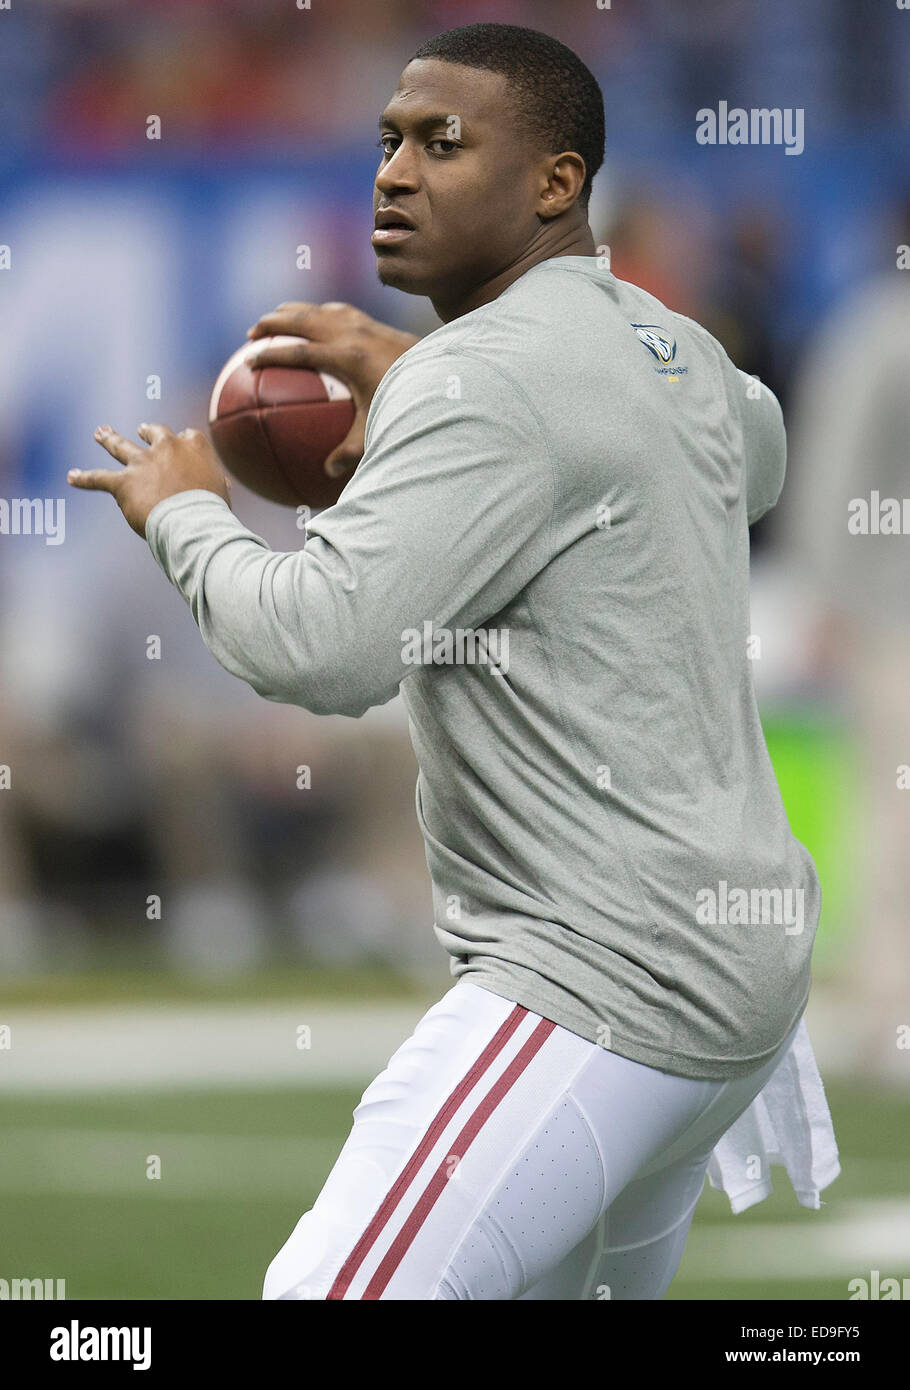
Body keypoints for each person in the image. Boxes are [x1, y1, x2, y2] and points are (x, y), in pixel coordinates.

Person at [67, 22, 837, 1300]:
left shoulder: (480, 380)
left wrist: (182, 503)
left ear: (555, 182)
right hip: (737, 969)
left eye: (442, 142)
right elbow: (754, 462)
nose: (393, 173)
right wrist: (439, 377)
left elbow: (317, 646)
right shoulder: (671, 345)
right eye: (384, 142)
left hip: (601, 977)